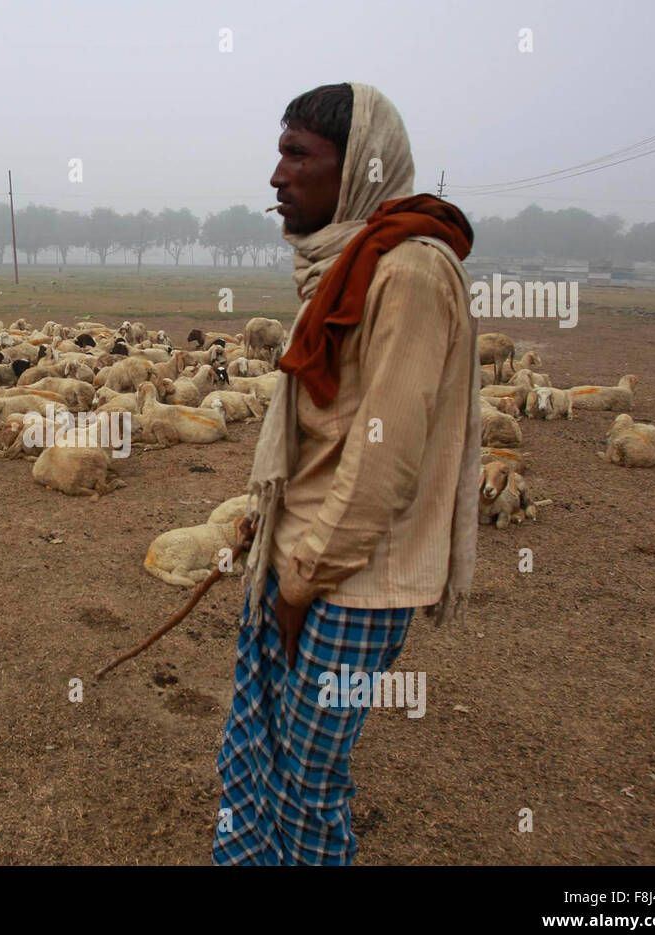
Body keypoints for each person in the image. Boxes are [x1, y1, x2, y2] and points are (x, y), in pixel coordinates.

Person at [213, 82, 481, 866]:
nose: (276, 175)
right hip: (296, 553)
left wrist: (303, 580)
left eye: (298, 154)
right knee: (253, 751)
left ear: (356, 166)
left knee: (306, 783)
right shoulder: (349, 263)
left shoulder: (412, 273)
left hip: (351, 575)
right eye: (280, 151)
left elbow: (384, 455)